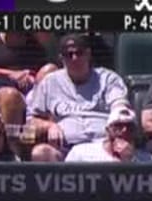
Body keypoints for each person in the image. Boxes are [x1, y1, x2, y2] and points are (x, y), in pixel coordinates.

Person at [25, 32, 130, 161]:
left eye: (79, 53)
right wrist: (49, 126)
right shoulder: (50, 82)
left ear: (88, 54)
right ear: (61, 58)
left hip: (103, 145)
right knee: (40, 152)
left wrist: (116, 136)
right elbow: (31, 122)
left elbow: (120, 108)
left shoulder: (108, 79)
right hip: (65, 148)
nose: (74, 58)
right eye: (68, 55)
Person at [64, 103, 152, 161]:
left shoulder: (146, 159)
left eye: (129, 126)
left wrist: (129, 159)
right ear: (107, 130)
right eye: (118, 125)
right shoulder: (80, 153)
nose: (124, 130)